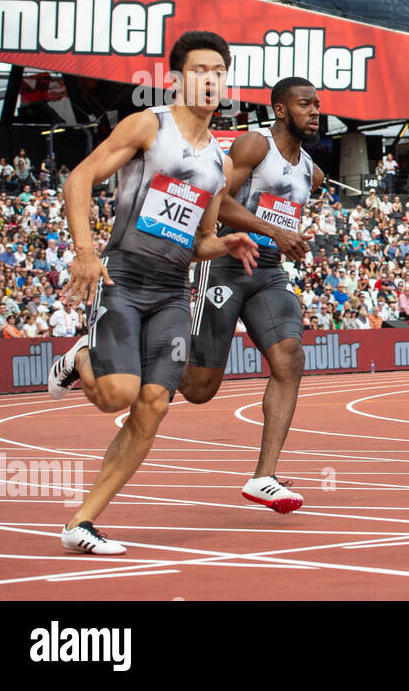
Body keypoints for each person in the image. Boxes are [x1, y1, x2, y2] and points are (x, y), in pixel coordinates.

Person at [45, 30, 259, 555]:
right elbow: (79, 179)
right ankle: (80, 356)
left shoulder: (218, 163)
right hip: (122, 278)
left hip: (170, 292)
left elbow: (197, 239)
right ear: (175, 79)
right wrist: (86, 252)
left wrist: (225, 242)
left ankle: (81, 523)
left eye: (218, 72)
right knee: (117, 395)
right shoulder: (148, 126)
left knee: (154, 404)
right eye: (200, 71)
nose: (210, 80)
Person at [179, 76, 324, 514]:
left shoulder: (311, 172)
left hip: (267, 273)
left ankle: (264, 476)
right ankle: (142, 351)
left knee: (290, 358)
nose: (315, 111)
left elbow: (281, 217)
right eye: (305, 104)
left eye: (317, 104)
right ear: (281, 110)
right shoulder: (253, 146)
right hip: (223, 262)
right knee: (200, 390)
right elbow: (214, 199)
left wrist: (286, 237)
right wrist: (273, 229)